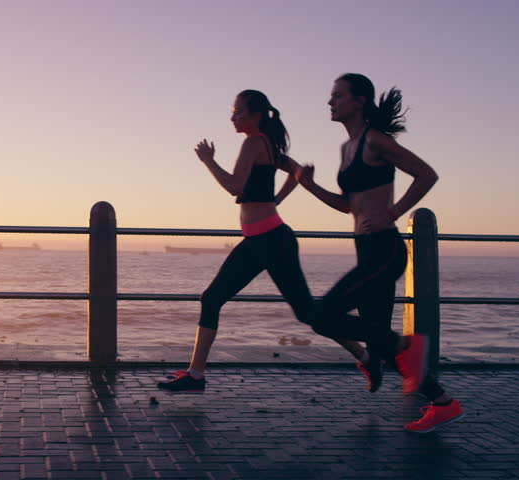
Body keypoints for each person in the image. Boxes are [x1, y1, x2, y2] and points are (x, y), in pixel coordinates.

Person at [157, 90, 366, 393]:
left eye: (238, 112)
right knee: (215, 298)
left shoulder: (254, 142)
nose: (233, 118)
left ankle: (373, 348)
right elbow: (296, 172)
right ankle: (196, 375)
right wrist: (275, 199)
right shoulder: (268, 144)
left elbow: (233, 186)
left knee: (305, 311)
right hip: (261, 239)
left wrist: (208, 161)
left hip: (270, 240)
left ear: (255, 116)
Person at [293, 73, 464, 432]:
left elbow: (426, 174)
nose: (330, 102)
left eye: (337, 96)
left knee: (321, 315)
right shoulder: (347, 149)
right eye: (331, 96)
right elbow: (347, 206)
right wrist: (309, 187)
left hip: (385, 250)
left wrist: (393, 212)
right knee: (375, 333)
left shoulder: (376, 140)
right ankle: (442, 403)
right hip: (366, 251)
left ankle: (401, 346)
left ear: (360, 101)